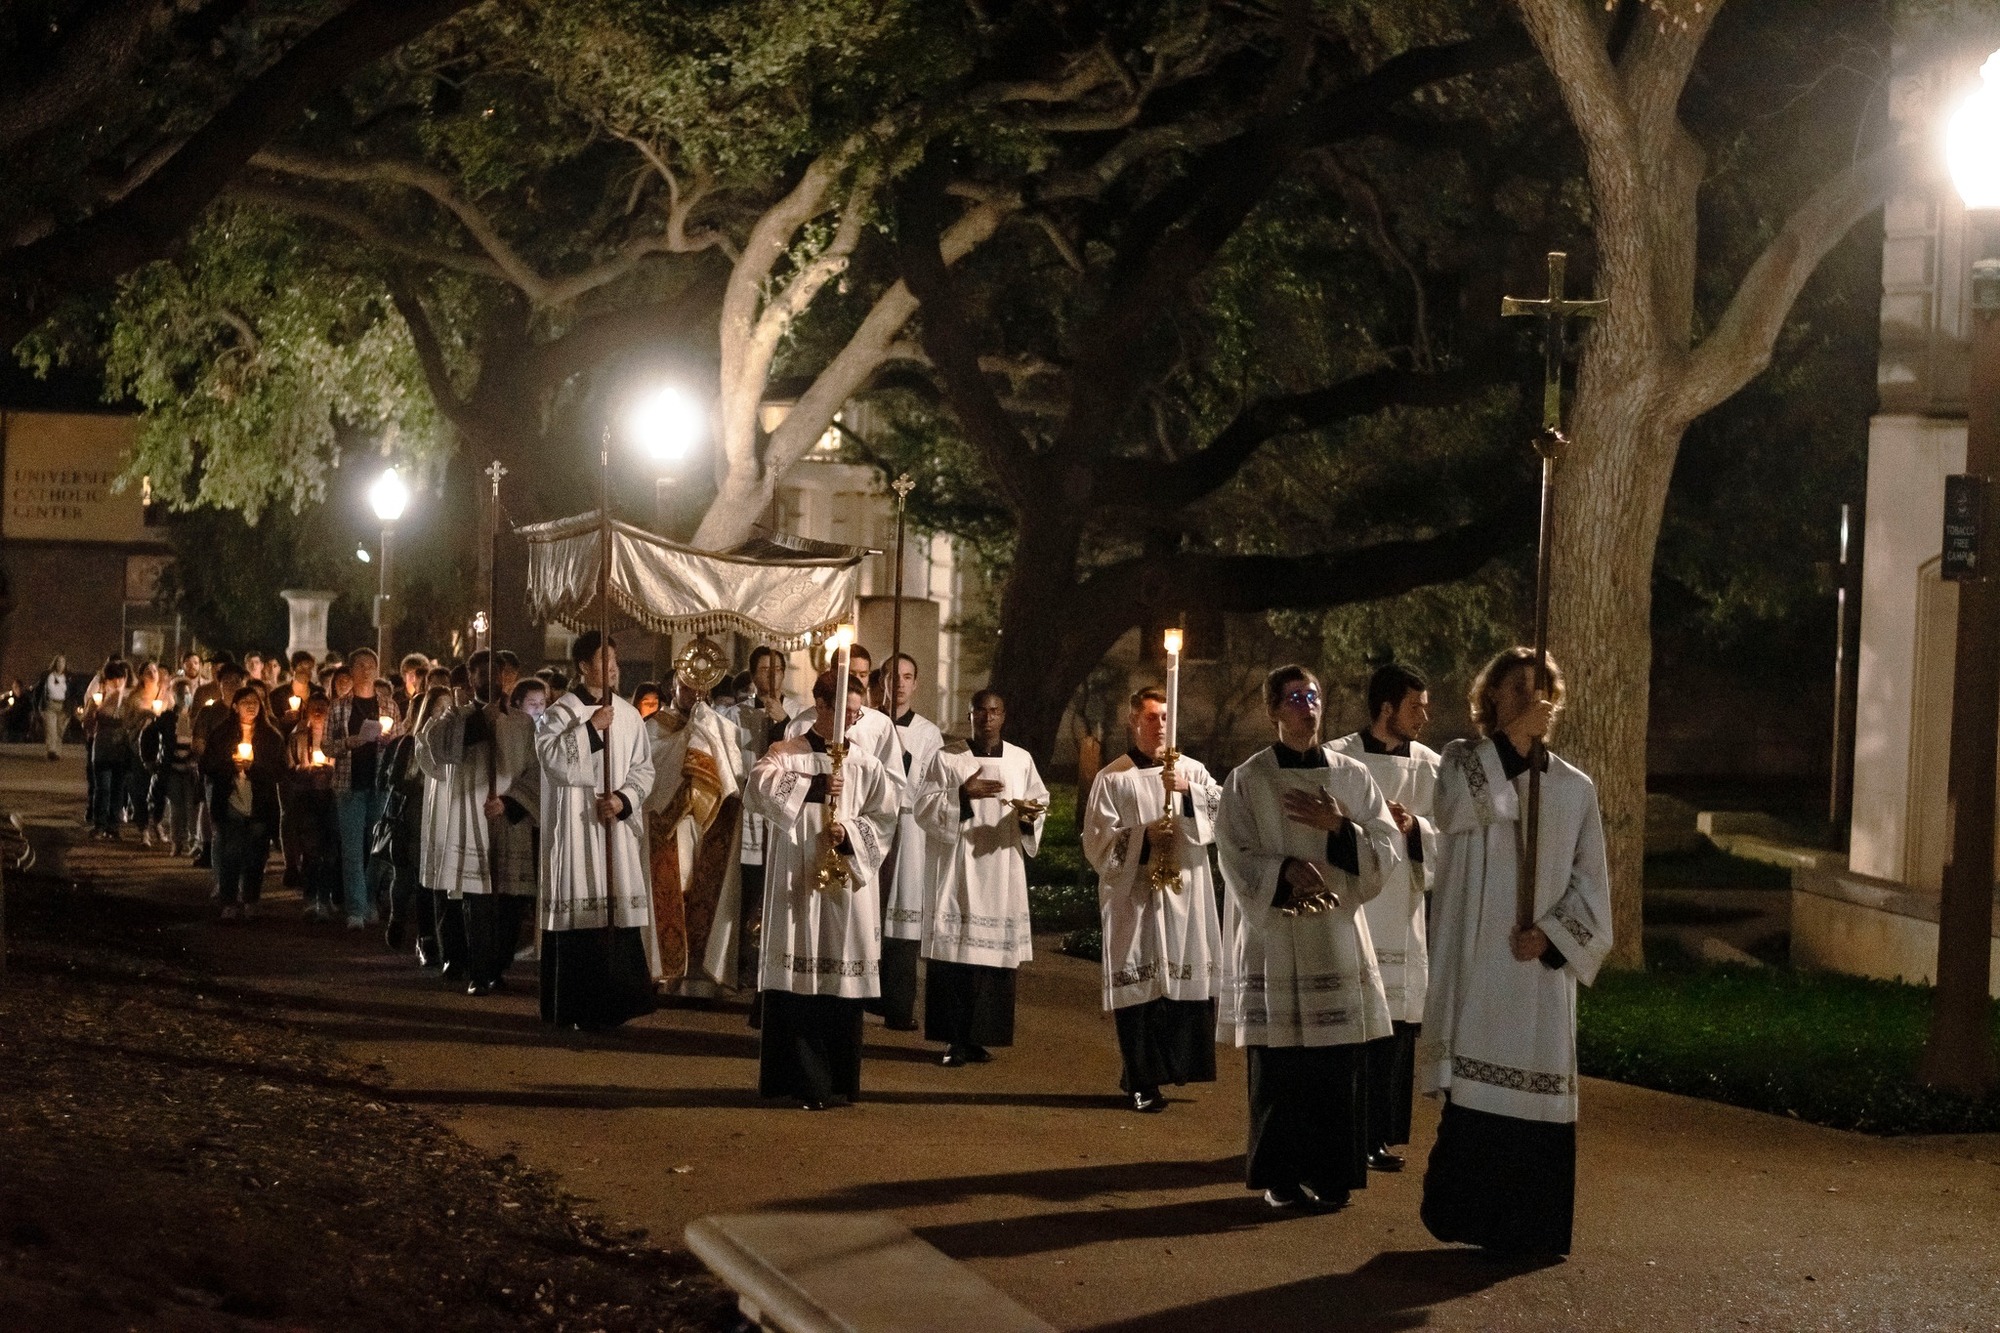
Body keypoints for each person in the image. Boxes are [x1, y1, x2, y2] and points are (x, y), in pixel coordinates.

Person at [1419, 649, 1611, 1259]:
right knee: (1476, 1092)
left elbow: (1592, 889)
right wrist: (1510, 747)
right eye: (1517, 689)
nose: (1531, 701)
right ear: (1493, 698)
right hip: (1478, 965)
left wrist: (1553, 937)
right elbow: (1451, 810)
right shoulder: (1462, 763)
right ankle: (1467, 1214)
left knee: (1537, 1092)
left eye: (1541, 691)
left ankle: (1533, 1228)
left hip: (1536, 976)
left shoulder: (1576, 789)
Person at [1216, 664, 1402, 1212]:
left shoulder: (1350, 778)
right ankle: (1279, 1175)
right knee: (1281, 1065)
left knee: (1336, 1065)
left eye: (1314, 695)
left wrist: (1340, 828)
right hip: (1277, 941)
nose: (1307, 706)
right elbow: (1232, 854)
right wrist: (1284, 871)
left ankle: (1335, 1174)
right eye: (1294, 697)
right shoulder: (1248, 780)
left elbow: (1386, 847)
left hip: (1335, 936)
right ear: (1273, 710)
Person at [746, 669, 899, 1109]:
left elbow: (883, 820)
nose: (851, 721)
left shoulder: (866, 765)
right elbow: (757, 789)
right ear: (821, 706)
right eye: (844, 712)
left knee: (840, 982)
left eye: (857, 713)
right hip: (797, 884)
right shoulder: (785, 753)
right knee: (798, 983)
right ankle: (798, 1081)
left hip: (844, 888)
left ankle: (837, 1082)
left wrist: (850, 835)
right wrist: (813, 787)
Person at [1083, 687, 1224, 1113]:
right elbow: (1097, 843)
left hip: (1184, 895)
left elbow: (1224, 813)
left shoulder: (1192, 771)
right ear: (1133, 721)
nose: (1160, 724)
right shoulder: (1112, 779)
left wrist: (1187, 792)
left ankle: (1167, 1069)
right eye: (1150, 717)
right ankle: (1143, 1081)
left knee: (1178, 985)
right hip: (1136, 899)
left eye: (1165, 716)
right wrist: (1143, 836)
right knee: (1140, 987)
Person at [1331, 662, 1441, 1173]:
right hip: (1353, 913)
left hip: (1402, 915)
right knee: (1353, 1029)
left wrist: (1416, 827)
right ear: (1386, 708)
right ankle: (1346, 1132)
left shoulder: (1430, 766)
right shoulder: (1338, 759)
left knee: (1394, 1033)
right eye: (1415, 706)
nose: (1425, 715)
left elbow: (1450, 842)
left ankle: (1380, 1135)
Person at [916, 688, 1048, 1067]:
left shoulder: (1021, 760)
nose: (987, 718)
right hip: (959, 868)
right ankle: (955, 1041)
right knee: (956, 958)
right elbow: (924, 808)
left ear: (1004, 716)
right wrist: (961, 793)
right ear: (969, 714)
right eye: (980, 711)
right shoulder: (947, 757)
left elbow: (1039, 803)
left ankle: (981, 1036)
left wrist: (1029, 817)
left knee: (991, 960)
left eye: (994, 711)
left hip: (1001, 866)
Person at [534, 630, 658, 1030]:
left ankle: (618, 1004)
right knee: (580, 917)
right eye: (605, 662)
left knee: (616, 912)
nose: (614, 669)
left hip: (612, 829)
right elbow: (551, 756)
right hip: (576, 829)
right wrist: (589, 730)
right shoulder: (561, 713)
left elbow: (644, 768)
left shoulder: (630, 714)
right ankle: (573, 1008)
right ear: (583, 666)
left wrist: (623, 800)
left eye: (615, 662)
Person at [644, 639, 747, 998]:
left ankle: (699, 972)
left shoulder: (720, 727)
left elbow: (734, 774)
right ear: (672, 684)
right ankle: (666, 968)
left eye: (699, 686)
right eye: (685, 685)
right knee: (672, 890)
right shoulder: (653, 728)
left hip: (708, 822)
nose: (692, 693)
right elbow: (649, 772)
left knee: (702, 890)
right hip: (668, 827)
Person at [867, 652, 942, 1032]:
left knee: (902, 923)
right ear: (881, 681)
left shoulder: (929, 733)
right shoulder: (866, 723)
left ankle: (898, 1007)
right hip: (871, 824)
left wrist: (900, 754)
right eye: (892, 676)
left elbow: (930, 783)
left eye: (907, 676)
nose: (899, 683)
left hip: (908, 828)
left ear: (916, 684)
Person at [328, 648, 399, 929]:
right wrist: (349, 743)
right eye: (360, 665)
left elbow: (399, 741)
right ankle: (356, 909)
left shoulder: (389, 706)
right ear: (351, 670)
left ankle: (369, 899)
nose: (366, 670)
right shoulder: (339, 707)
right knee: (353, 850)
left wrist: (386, 741)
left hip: (379, 783)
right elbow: (326, 746)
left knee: (377, 848)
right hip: (349, 784)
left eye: (371, 665)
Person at [201, 685, 285, 920]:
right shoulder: (221, 734)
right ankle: (229, 901)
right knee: (231, 852)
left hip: (259, 804)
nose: (251, 706)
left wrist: (254, 768)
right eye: (245, 701)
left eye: (255, 702)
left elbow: (279, 770)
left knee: (256, 856)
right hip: (231, 800)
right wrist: (231, 766)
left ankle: (250, 899)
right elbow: (207, 765)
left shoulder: (271, 737)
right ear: (235, 707)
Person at [284, 695, 342, 921]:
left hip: (332, 796)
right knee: (310, 850)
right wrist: (304, 770)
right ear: (307, 711)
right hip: (306, 797)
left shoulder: (337, 738)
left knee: (330, 850)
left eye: (323, 708)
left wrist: (329, 772)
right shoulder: (297, 737)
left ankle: (326, 899)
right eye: (314, 708)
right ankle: (311, 898)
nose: (319, 712)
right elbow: (289, 766)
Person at [38, 655, 68, 760]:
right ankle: (51, 751)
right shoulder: (49, 676)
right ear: (55, 663)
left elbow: (71, 692)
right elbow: (46, 691)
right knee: (51, 730)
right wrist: (39, 707)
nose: (61, 665)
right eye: (59, 662)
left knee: (60, 730)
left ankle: (57, 751)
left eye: (63, 662)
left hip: (63, 706)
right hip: (51, 705)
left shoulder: (67, 678)